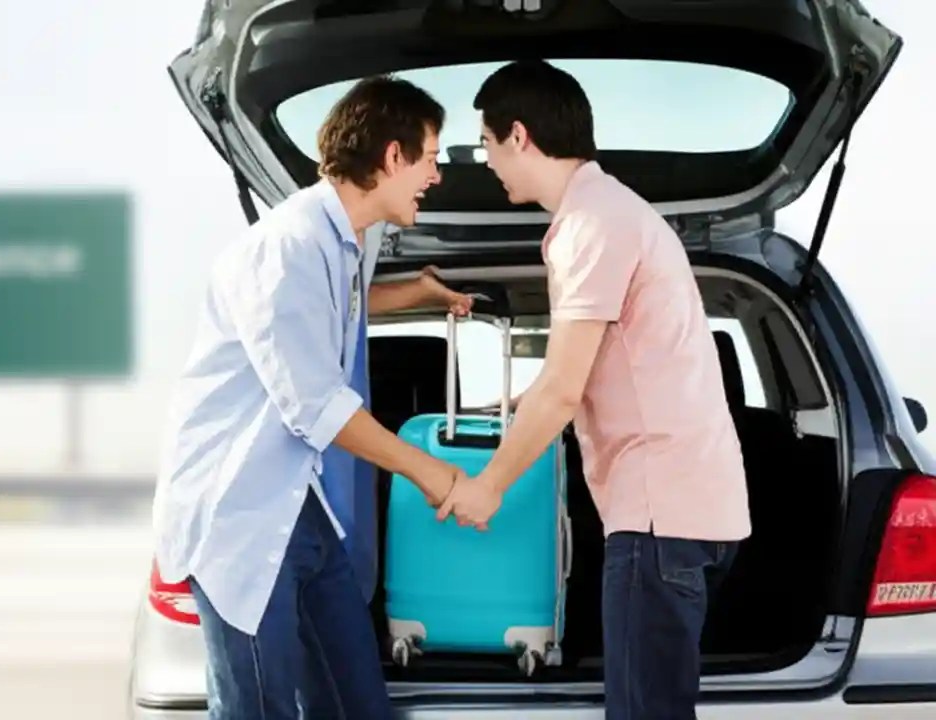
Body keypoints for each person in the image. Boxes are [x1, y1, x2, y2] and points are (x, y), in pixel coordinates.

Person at [152, 75, 474, 720]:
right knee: (259, 710)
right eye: (431, 157)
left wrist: (416, 291)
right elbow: (315, 407)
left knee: (355, 703)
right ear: (391, 156)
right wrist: (433, 473)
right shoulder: (288, 245)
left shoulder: (348, 238)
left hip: (305, 507)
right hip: (239, 511)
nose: (437, 176)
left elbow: (337, 314)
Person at [438, 60, 751, 719]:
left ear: (518, 135)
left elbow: (562, 390)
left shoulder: (594, 223)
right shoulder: (609, 212)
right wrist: (513, 407)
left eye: (486, 144)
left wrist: (487, 485)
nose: (487, 161)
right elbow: (585, 368)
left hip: (657, 515)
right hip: (689, 508)